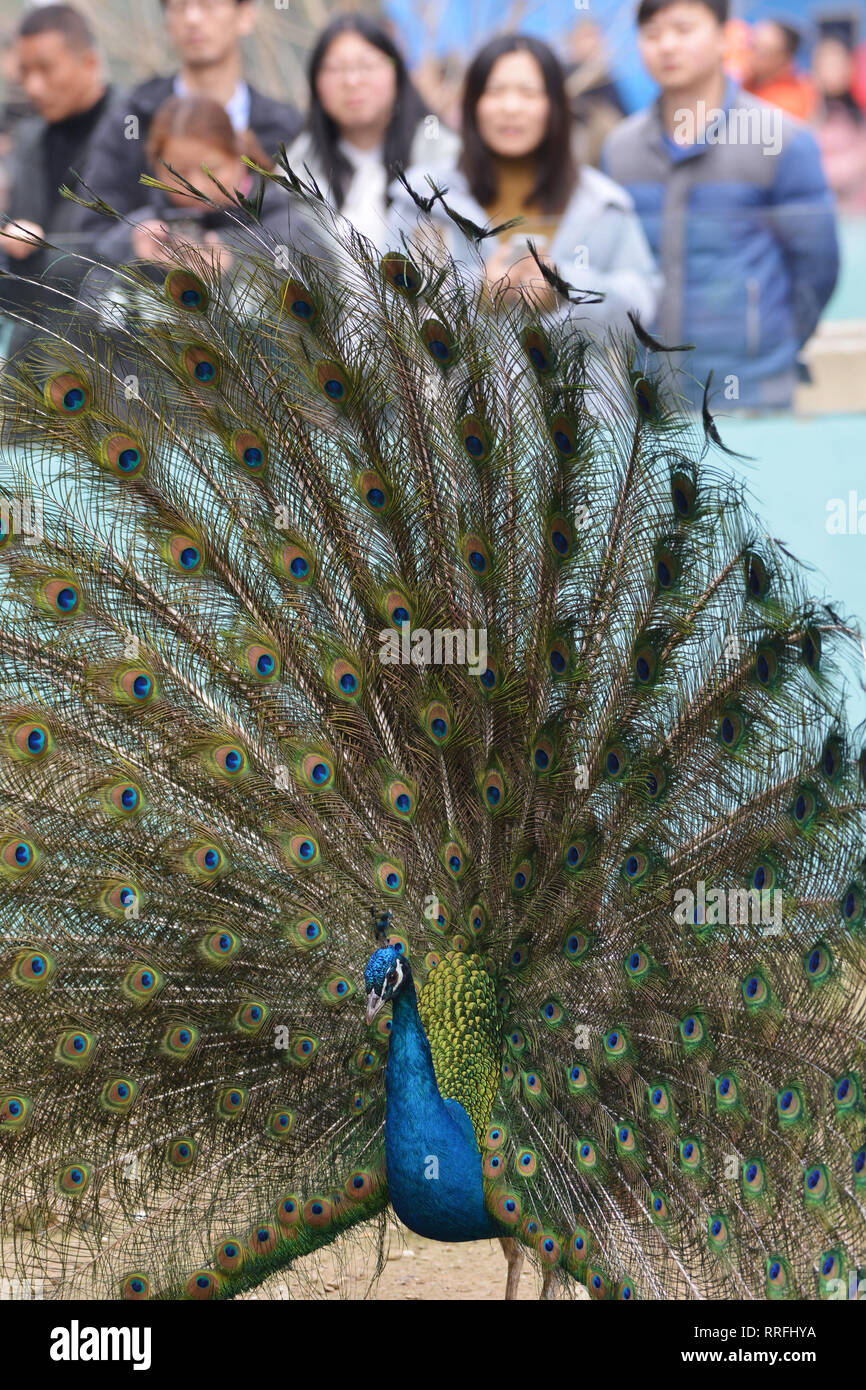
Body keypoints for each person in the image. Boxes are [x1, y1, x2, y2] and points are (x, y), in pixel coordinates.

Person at [602, 0, 839, 411]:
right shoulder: (620, 150)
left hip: (752, 395)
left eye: (683, 28)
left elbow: (816, 268)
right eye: (652, 33)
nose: (667, 45)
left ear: (723, 36)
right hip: (646, 401)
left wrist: (767, 345)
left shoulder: (780, 140)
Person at [391, 34, 661, 331]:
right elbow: (386, 298)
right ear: (472, 104)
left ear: (555, 105)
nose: (511, 107)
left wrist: (564, 288)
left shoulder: (600, 202)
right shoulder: (425, 197)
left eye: (528, 92)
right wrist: (477, 292)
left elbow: (641, 302)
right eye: (495, 91)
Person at [72, 0, 301, 233]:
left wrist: (232, 258)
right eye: (179, 6)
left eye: (208, 5)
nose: (192, 18)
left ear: (245, 15)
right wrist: (141, 244)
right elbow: (95, 230)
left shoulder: (285, 128)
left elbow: (306, 236)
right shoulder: (133, 121)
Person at [285, 14, 458, 251]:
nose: (352, 81)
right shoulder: (292, 174)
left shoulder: (445, 158)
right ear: (315, 81)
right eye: (335, 68)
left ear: (396, 73)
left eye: (367, 65)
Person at [0, 4, 110, 338]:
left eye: (46, 69)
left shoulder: (133, 132)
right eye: (26, 71)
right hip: (39, 334)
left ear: (89, 62)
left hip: (118, 339)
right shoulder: (30, 138)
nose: (32, 86)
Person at [91, 96, 291, 278]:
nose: (196, 186)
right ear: (157, 171)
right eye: (179, 174)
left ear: (239, 157)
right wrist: (136, 263)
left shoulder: (286, 225)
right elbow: (88, 298)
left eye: (211, 170)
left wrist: (235, 265)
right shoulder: (141, 231)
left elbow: (311, 286)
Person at [812, 36, 866, 213]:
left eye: (838, 65)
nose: (832, 72)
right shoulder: (808, 112)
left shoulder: (858, 112)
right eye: (826, 65)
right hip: (822, 210)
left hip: (857, 213)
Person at [744, 20, 816, 121]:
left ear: (783, 58)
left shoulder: (794, 99)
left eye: (761, 51)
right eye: (751, 46)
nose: (751, 56)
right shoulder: (744, 82)